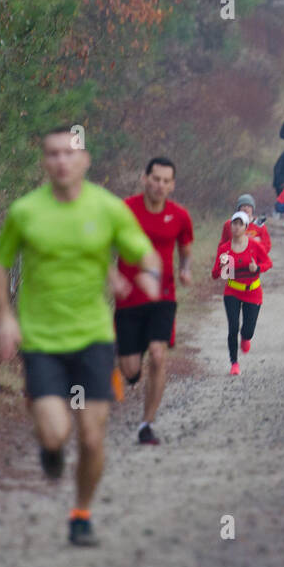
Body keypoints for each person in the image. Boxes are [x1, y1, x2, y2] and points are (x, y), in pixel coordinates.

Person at [0, 126, 161, 547]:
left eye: (70, 153)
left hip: (93, 339)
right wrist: (5, 317)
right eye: (52, 154)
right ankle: (49, 451)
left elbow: (144, 252)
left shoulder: (107, 208)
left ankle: (81, 513)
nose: (61, 161)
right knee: (55, 433)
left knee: (90, 436)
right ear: (44, 162)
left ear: (85, 160)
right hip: (42, 341)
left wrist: (150, 275)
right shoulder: (25, 211)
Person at [112, 157, 193, 447]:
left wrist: (185, 268)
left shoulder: (180, 216)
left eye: (166, 181)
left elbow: (185, 249)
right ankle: (124, 356)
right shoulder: (124, 210)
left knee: (159, 354)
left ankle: (147, 424)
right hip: (129, 300)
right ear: (144, 178)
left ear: (172, 185)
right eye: (155, 179)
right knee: (131, 371)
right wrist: (112, 276)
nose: (160, 185)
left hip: (163, 297)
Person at [212, 211, 272, 376]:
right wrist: (223, 268)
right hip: (232, 291)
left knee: (248, 330)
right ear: (230, 226)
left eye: (240, 224)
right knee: (233, 327)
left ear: (246, 227)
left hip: (253, 291)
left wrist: (257, 268)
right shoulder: (225, 249)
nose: (236, 227)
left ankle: (245, 338)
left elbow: (268, 262)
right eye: (234, 223)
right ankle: (234, 363)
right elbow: (216, 274)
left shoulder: (254, 245)